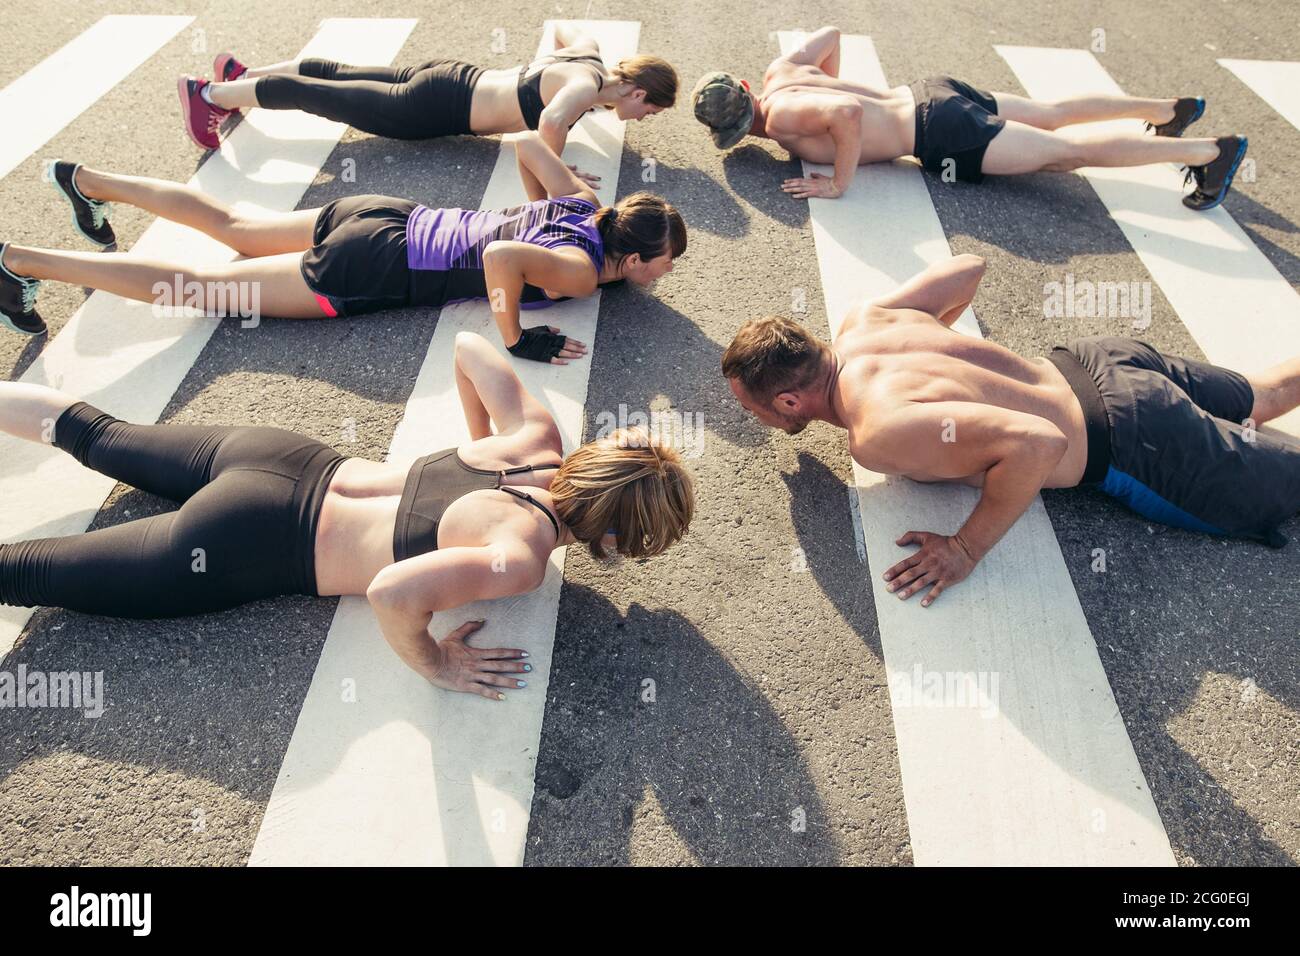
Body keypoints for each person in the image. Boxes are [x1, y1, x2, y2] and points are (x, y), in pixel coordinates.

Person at [0, 332, 695, 698]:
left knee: (95, 432)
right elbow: (393, 593)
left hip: (286, 459)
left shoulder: (536, 437)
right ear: (612, 538)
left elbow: (470, 348)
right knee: (27, 574)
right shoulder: (518, 557)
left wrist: (475, 442)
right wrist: (437, 665)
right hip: (259, 539)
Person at [722, 255, 1300, 606]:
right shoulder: (864, 324)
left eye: (757, 410)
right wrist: (950, 364)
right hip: (1100, 364)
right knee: (1265, 394)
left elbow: (1038, 443)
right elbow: (966, 267)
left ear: (789, 399)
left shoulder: (875, 432)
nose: (760, 422)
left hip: (1134, 439)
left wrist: (964, 550)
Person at [0, 133, 686, 363]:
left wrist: (533, 203)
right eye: (664, 263)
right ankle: (21, 263)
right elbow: (500, 262)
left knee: (233, 224)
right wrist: (512, 337)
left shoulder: (586, 210)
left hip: (385, 214)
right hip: (379, 266)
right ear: (630, 260)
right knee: (199, 287)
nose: (666, 273)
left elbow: (530, 142)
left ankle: (87, 182)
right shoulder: (579, 275)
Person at [692, 25, 1246, 211]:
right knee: (1052, 115)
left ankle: (1207, 154)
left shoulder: (784, 117)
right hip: (932, 92)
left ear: (743, 124)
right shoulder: (780, 73)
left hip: (940, 132)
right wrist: (836, 87)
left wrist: (839, 180)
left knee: (1063, 156)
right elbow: (832, 38)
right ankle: (1167, 110)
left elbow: (845, 111)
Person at [180, 23, 676, 183]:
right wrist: (560, 172)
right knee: (324, 95)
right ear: (637, 92)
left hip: (451, 75)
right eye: (648, 111)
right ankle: (210, 95)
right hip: (433, 109)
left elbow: (567, 31)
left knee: (338, 75)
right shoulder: (586, 91)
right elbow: (549, 118)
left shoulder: (589, 59)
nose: (642, 120)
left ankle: (244, 76)